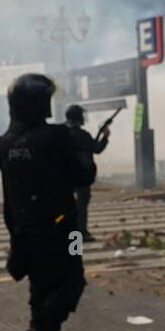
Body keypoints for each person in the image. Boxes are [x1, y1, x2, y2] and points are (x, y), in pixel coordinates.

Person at [0, 74, 88, 331]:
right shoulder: (56, 136)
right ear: (39, 103)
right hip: (64, 226)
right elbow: (83, 176)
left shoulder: (2, 145)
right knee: (73, 282)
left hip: (23, 230)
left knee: (41, 286)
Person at [64, 103, 110, 243]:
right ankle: (81, 232)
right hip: (82, 176)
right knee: (82, 205)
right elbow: (96, 149)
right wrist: (105, 136)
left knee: (66, 205)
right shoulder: (83, 135)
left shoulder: (62, 134)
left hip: (66, 176)